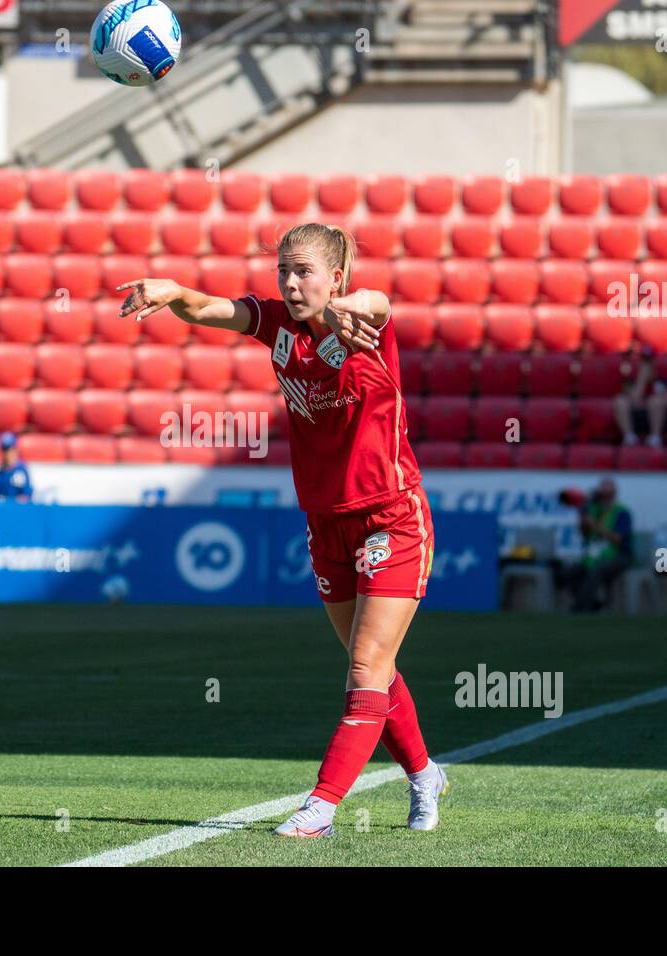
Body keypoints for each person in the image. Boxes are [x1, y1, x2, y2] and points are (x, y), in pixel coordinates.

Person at [118, 222, 447, 838]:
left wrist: (351, 306)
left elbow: (377, 302)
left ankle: (319, 806)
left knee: (366, 663)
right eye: (284, 273)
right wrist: (171, 289)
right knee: (372, 663)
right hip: (325, 520)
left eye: (304, 273)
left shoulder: (364, 325)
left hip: (391, 515)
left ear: (335, 277)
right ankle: (425, 775)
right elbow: (210, 308)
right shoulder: (277, 327)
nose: (291, 284)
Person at [557, 479, 634, 612]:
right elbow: (585, 535)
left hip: (619, 555)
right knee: (571, 573)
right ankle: (592, 604)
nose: (602, 493)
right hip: (595, 555)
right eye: (601, 489)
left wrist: (595, 526)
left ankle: (581, 608)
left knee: (596, 570)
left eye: (606, 489)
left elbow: (618, 539)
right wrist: (582, 521)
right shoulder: (593, 510)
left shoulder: (622, 512)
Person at [613, 345, 667, 448]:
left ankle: (655, 438)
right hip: (636, 416)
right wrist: (642, 378)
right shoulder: (632, 380)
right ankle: (629, 438)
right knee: (620, 401)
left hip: (658, 419)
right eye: (643, 361)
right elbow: (634, 399)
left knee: (655, 402)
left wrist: (654, 398)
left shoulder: (664, 380)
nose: (646, 364)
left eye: (648, 361)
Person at [0, 432, 32, 502]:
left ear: (16, 450)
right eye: (5, 450)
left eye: (11, 450)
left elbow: (26, 497)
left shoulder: (21, 472)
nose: (8, 454)